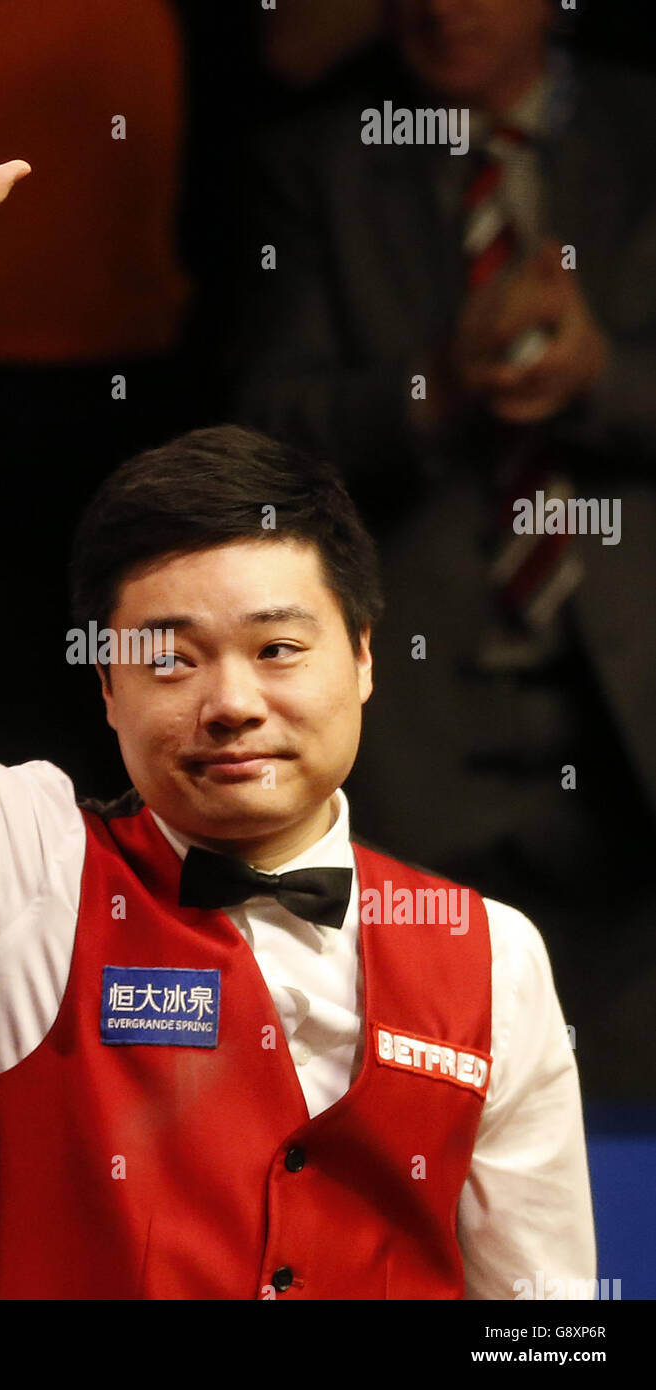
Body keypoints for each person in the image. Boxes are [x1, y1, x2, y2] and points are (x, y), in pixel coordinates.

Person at [0, 132, 595, 1300]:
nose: (230, 702)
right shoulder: (23, 876)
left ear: (363, 659)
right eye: (169, 660)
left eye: (277, 648)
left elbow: (543, 1316)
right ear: (104, 688)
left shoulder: (495, 959)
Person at [225, 0, 656, 1093]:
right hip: (410, 723)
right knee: (409, 1099)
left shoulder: (642, 135)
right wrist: (433, 392)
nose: (439, 5)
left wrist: (600, 378)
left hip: (627, 722)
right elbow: (263, 429)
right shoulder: (317, 165)